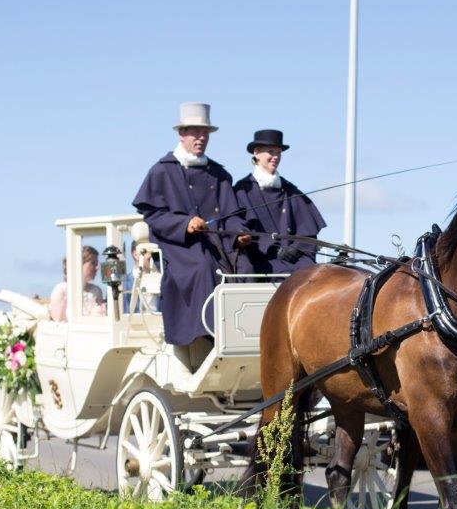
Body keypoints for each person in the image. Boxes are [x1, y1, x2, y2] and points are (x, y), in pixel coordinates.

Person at [132, 102, 251, 356]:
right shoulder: (162, 171)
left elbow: (231, 215)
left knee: (247, 266)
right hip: (179, 246)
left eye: (205, 133)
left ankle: (247, 336)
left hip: (218, 245)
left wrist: (239, 234)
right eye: (196, 132)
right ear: (181, 134)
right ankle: (205, 338)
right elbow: (153, 214)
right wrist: (185, 224)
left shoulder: (218, 174)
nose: (201, 138)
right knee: (202, 267)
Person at [233, 129, 326, 275]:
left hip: (295, 261)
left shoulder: (290, 190)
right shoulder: (242, 190)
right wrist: (272, 248)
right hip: (261, 260)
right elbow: (240, 231)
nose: (275, 157)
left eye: (278, 153)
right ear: (256, 153)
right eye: (271, 152)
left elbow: (308, 233)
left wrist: (296, 248)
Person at [48, 246, 105, 321]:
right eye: (93, 263)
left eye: (97, 264)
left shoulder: (96, 290)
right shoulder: (61, 290)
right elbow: (59, 323)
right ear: (79, 264)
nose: (97, 267)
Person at [123, 239, 159, 313]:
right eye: (146, 250)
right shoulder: (123, 284)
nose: (151, 254)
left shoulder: (162, 281)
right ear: (135, 254)